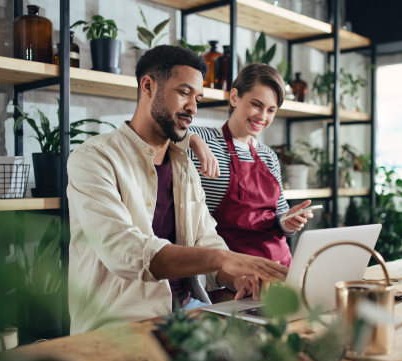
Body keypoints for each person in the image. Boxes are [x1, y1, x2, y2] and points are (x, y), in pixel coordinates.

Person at [66, 46, 288, 335]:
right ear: (148, 86)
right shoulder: (94, 158)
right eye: (184, 93)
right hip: (121, 327)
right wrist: (226, 258)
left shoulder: (183, 164)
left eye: (197, 98)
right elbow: (124, 251)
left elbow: (205, 239)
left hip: (188, 313)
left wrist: (237, 277)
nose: (193, 108)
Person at [180, 64, 314, 268]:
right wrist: (193, 139)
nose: (262, 117)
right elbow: (160, 133)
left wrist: (289, 221)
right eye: (256, 105)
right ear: (234, 97)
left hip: (280, 265)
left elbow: (280, 216)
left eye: (271, 110)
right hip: (231, 270)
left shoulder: (268, 155)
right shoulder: (203, 139)